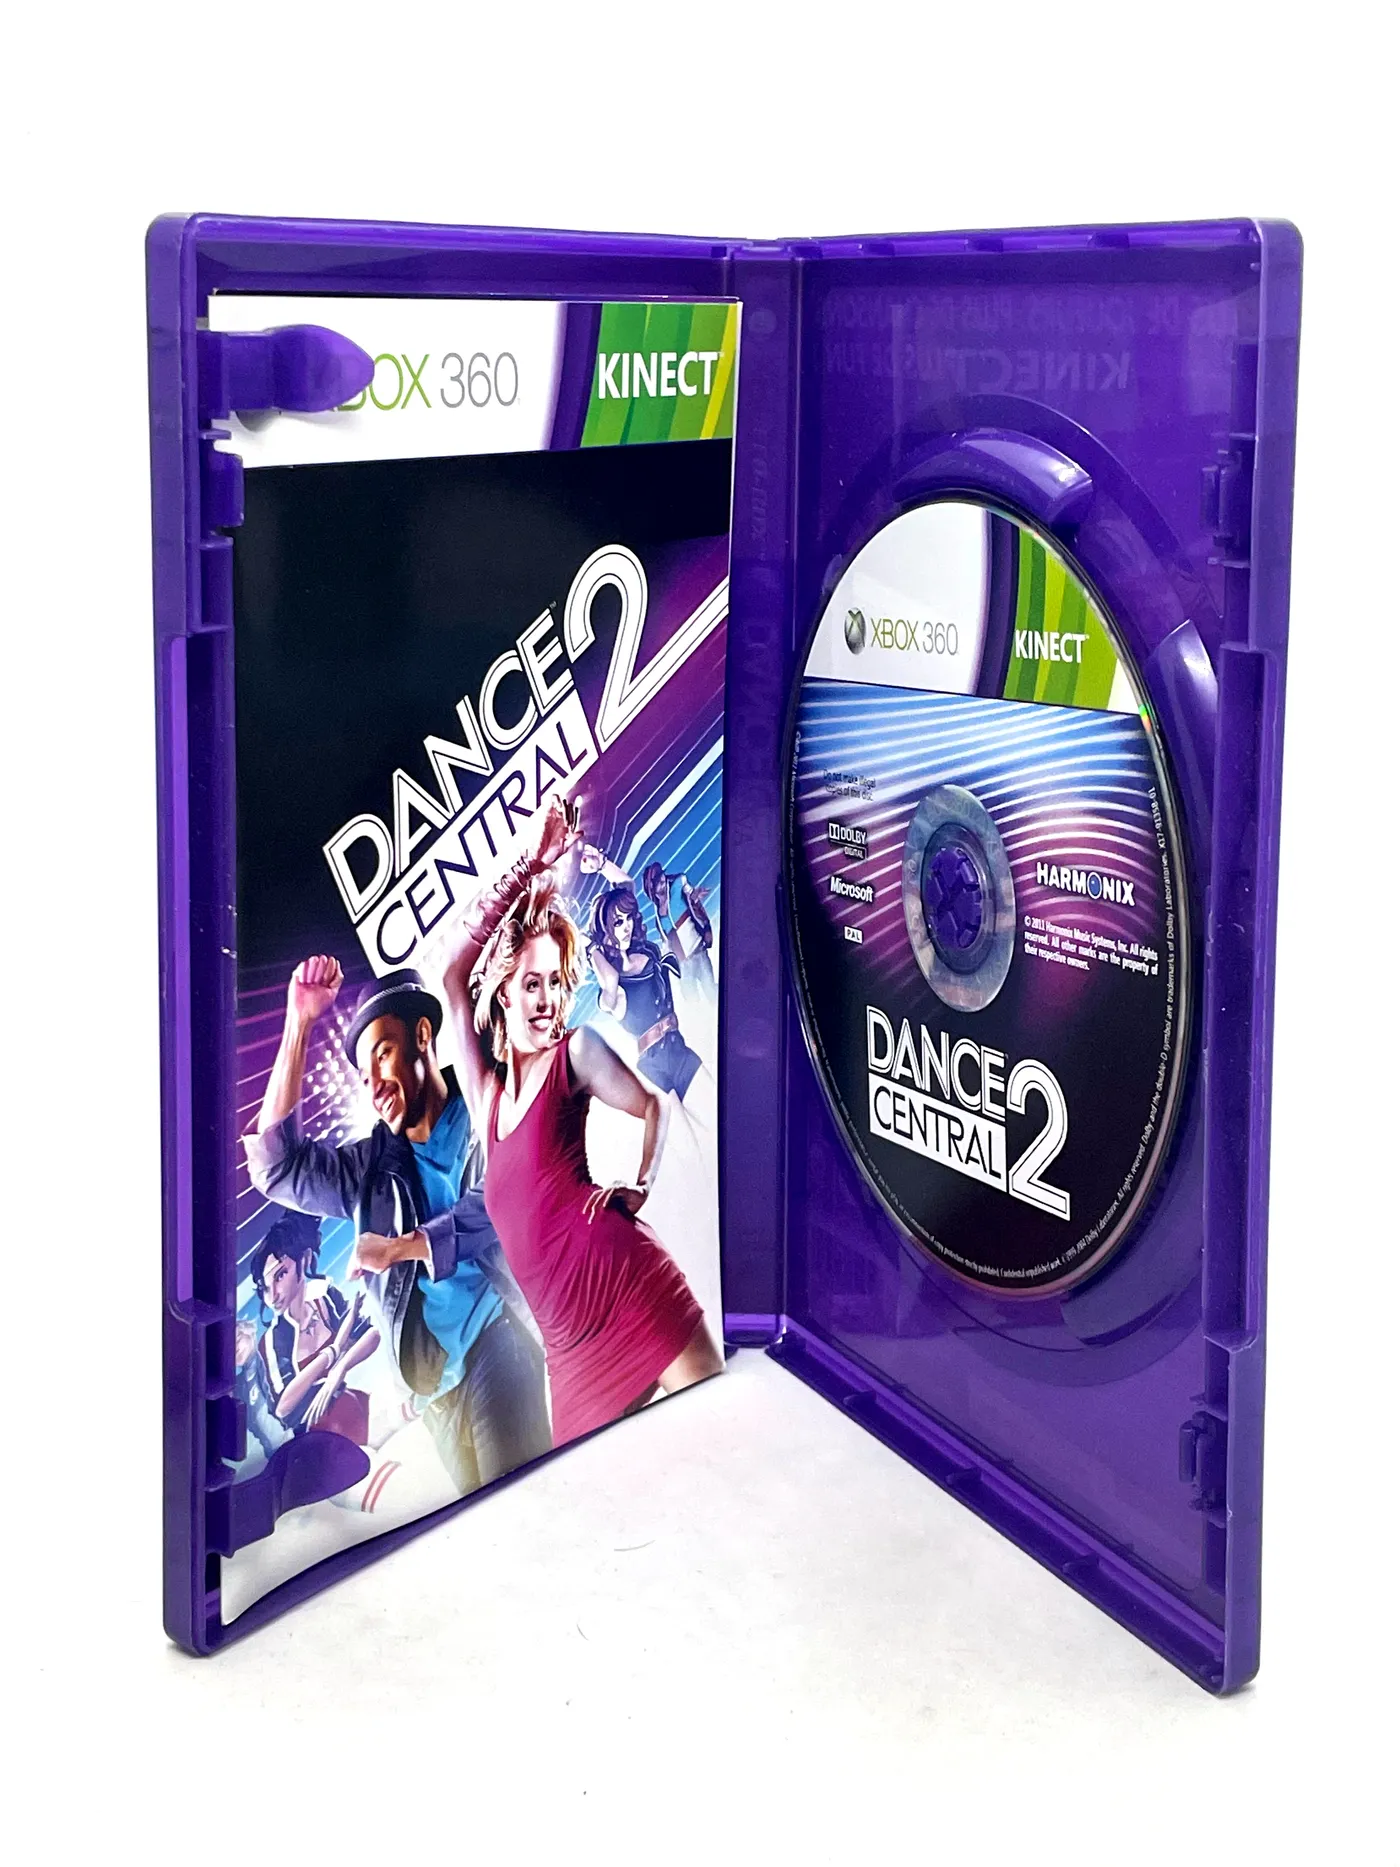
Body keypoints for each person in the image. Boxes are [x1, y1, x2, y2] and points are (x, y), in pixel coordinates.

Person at [358, 797, 724, 1446]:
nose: (549, 999)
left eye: (556, 983)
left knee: (723, 1440)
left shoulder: (576, 1053)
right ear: (503, 990)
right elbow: (451, 968)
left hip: (630, 1288)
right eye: (533, 983)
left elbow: (652, 1105)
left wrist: (641, 1182)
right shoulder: (485, 1098)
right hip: (568, 1352)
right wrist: (531, 862)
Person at [244, 960, 551, 1494]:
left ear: (423, 1036)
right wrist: (299, 1023)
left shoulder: (486, 1106)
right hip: (434, 1398)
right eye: (364, 1077)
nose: (375, 1087)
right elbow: (276, 1169)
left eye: (383, 1054)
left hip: (498, 1346)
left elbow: (503, 1197)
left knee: (523, 1510)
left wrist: (402, 1247)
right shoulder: (368, 1170)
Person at [247, 1211, 378, 1442]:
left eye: (280, 1275)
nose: (273, 1295)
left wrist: (340, 1368)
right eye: (264, 1287)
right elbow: (283, 1406)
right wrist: (333, 1353)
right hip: (319, 1437)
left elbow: (371, 1334)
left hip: (353, 1408)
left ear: (305, 1259)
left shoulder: (325, 1298)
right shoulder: (273, 1341)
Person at [587, 883, 704, 1102]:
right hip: (651, 1070)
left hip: (679, 1051)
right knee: (680, 1125)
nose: (626, 927)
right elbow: (610, 979)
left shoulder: (648, 951)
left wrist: (601, 866)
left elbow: (626, 886)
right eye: (618, 922)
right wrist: (591, 949)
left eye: (628, 918)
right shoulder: (613, 993)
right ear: (605, 932)